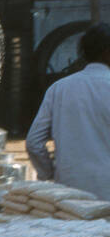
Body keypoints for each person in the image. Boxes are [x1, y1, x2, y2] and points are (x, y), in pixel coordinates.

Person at [26, 22, 110, 199]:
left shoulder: (59, 89)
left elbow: (34, 142)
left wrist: (49, 173)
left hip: (70, 195)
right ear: (107, 52)